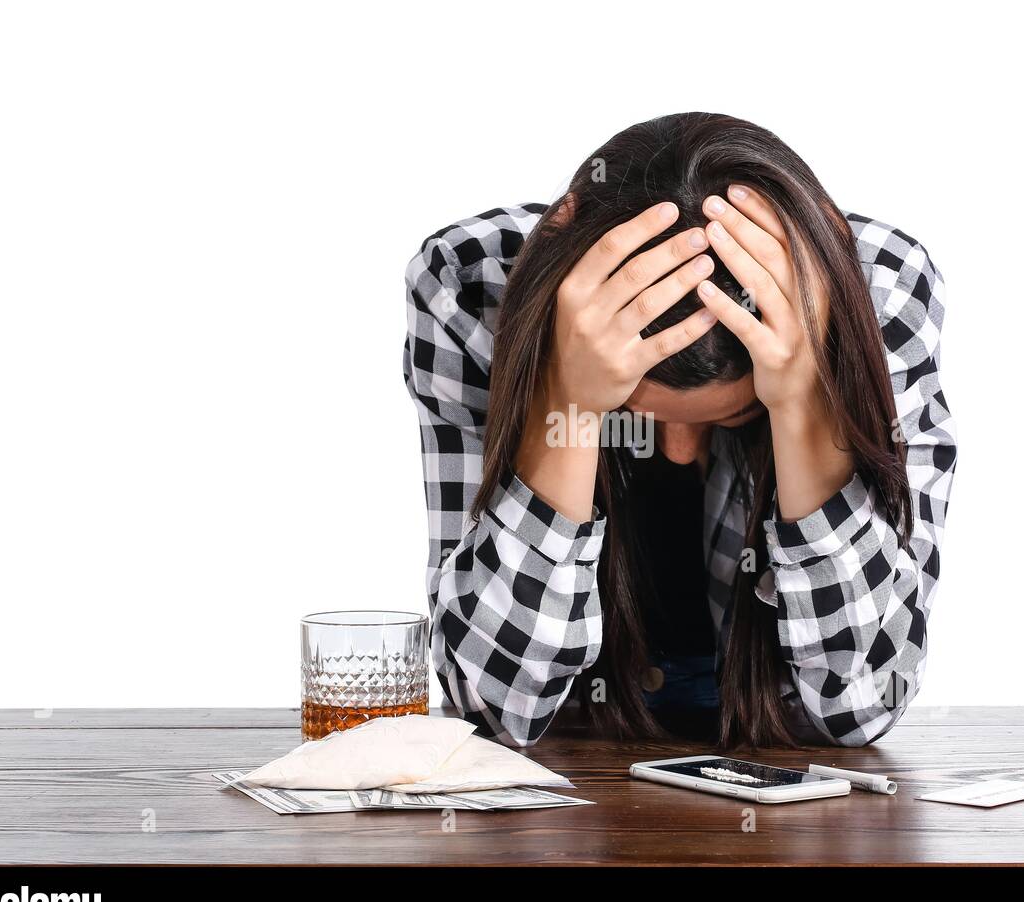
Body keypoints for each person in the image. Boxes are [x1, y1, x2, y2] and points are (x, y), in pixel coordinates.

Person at [403, 112, 956, 749]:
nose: (676, 449)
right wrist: (568, 409)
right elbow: (496, 705)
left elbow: (863, 703)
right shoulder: (471, 286)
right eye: (632, 414)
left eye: (736, 416)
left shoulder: (878, 290)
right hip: (577, 770)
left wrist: (805, 404)